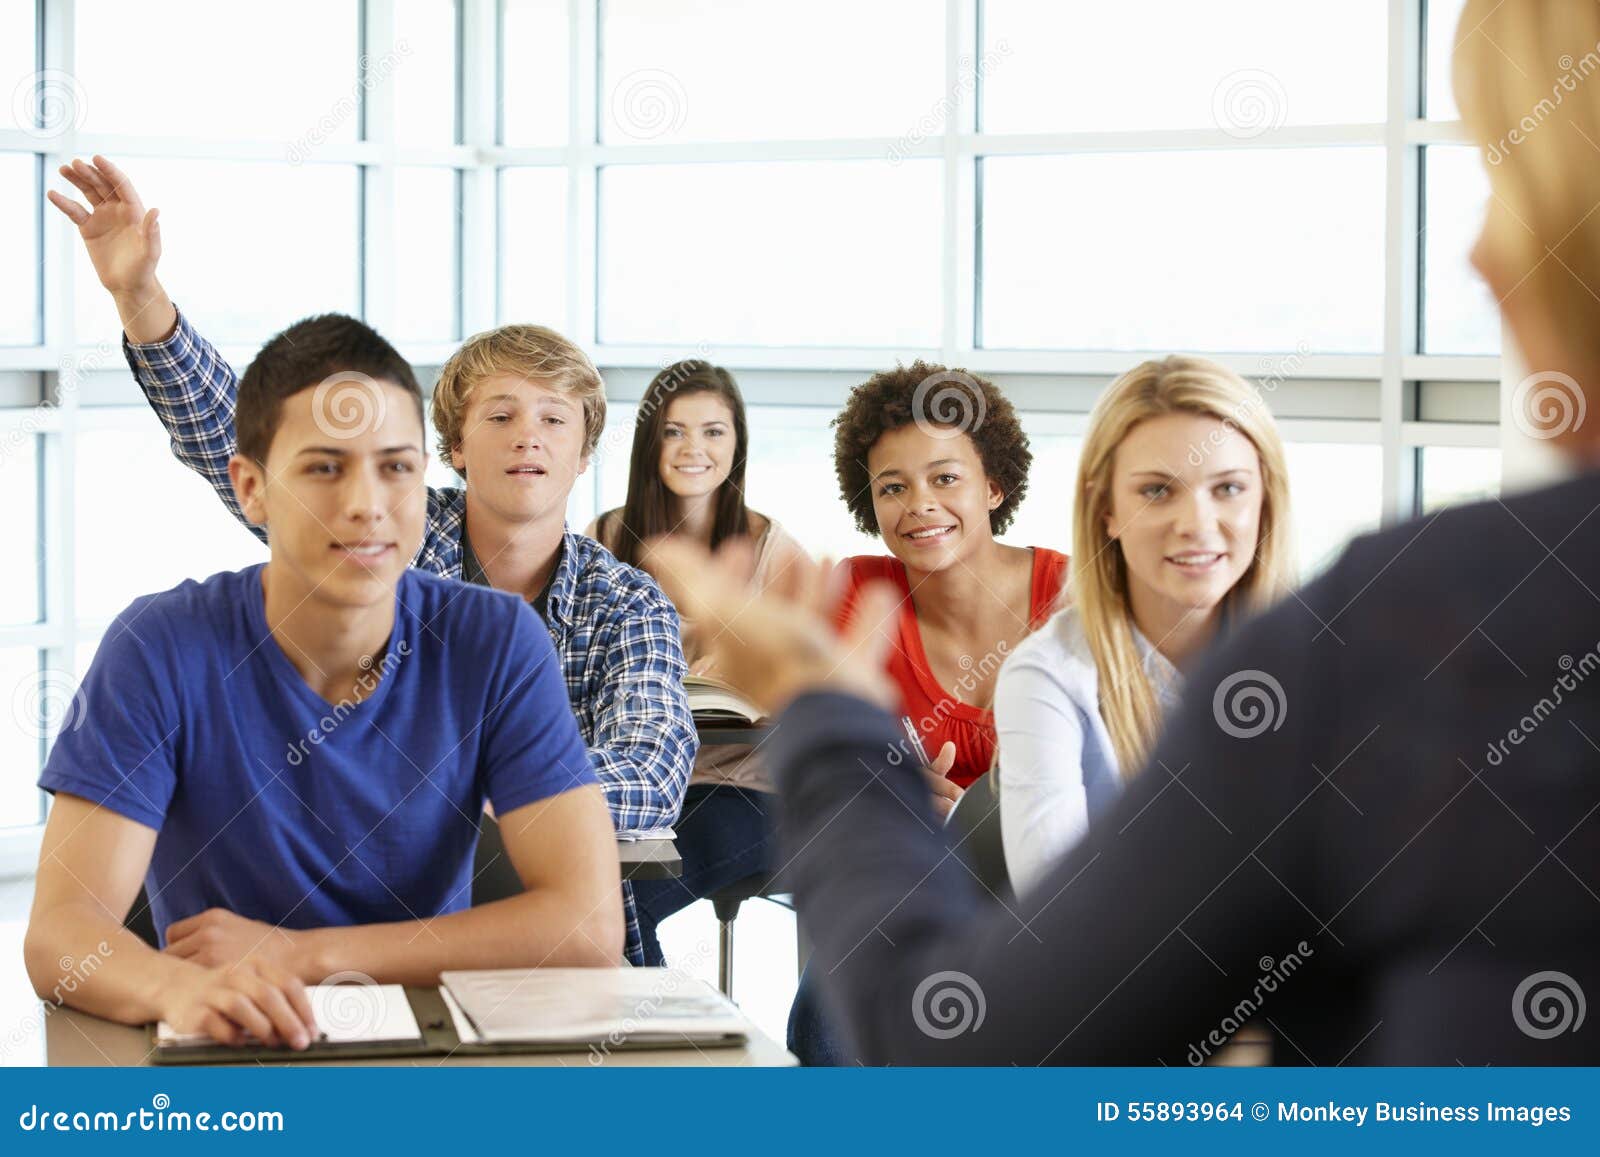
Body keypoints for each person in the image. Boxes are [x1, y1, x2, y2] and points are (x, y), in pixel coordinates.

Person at [643, 0, 1600, 1064]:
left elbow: (971, 1033)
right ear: (1104, 506)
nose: (1475, 250)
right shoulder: (1069, 650)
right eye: (1155, 493)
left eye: (1509, 181)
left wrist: (826, 714)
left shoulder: (1411, 629)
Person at [47, 158, 696, 964]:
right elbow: (239, 435)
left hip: (542, 945)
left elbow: (653, 772)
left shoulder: (627, 603)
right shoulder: (389, 528)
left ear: (585, 451)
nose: (529, 435)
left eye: (555, 420)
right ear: (452, 447)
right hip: (327, 939)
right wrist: (144, 302)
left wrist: (485, 782)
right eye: (501, 414)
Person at [23, 315, 622, 1048]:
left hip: (427, 1060)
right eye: (325, 467)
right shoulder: (157, 645)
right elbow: (59, 934)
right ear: (251, 488)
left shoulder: (496, 640)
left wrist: (304, 956)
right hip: (231, 1055)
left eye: (396, 466)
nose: (368, 503)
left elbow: (589, 927)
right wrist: (182, 987)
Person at [997, 356, 1293, 894]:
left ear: (1264, 501)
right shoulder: (1047, 677)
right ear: (1104, 508)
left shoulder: (1321, 658)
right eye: (1157, 491)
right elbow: (1057, 915)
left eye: (1228, 488)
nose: (1196, 526)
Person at [586, 359, 804, 966]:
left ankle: (662, 1053)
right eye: (675, 430)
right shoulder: (604, 538)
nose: (694, 448)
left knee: (622, 902)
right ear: (650, 442)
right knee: (574, 894)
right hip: (633, 785)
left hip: (742, 788)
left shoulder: (773, 549)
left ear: (738, 443)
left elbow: (798, 682)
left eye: (714, 431)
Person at [829, 361, 1069, 805]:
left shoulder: (1075, 594)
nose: (919, 504)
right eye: (893, 488)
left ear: (993, 488)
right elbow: (829, 759)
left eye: (945, 478)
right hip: (910, 857)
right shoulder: (860, 591)